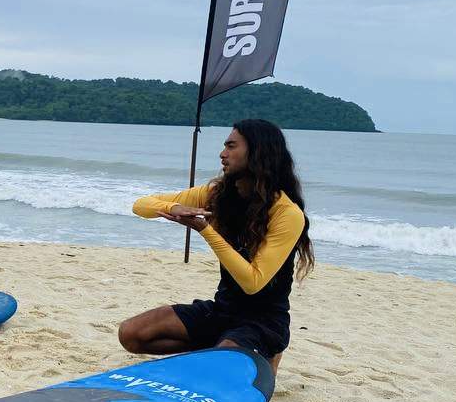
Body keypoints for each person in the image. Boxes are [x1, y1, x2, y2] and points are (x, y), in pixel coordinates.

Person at [117, 119, 314, 372]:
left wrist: (205, 230)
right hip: (223, 310)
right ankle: (219, 347)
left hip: (263, 322)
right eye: (224, 147)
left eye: (231, 146)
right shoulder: (217, 194)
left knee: (219, 367)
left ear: (258, 152)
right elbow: (141, 204)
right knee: (131, 334)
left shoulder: (286, 213)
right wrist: (173, 208)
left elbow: (252, 282)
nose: (223, 154)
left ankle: (264, 353)